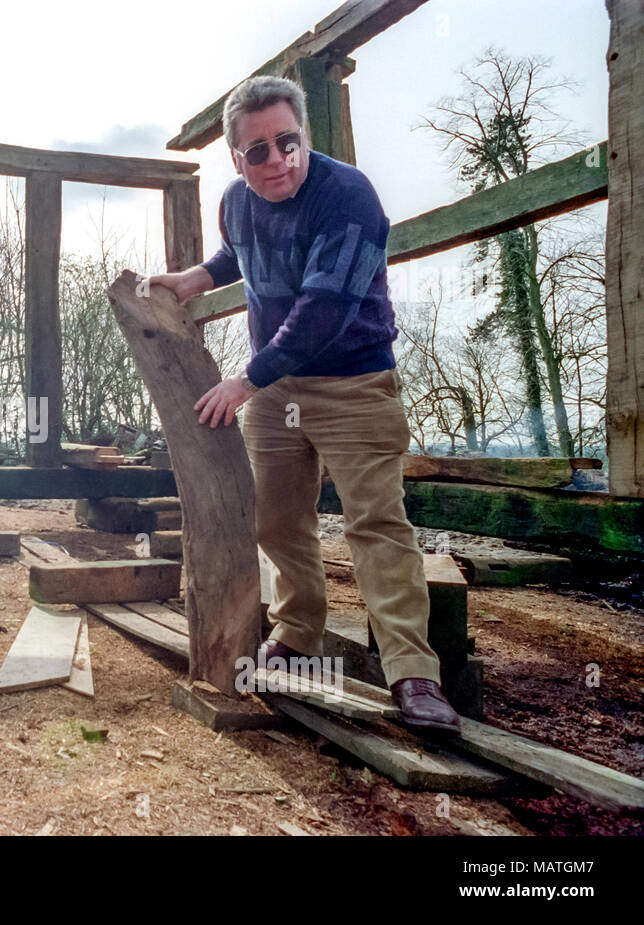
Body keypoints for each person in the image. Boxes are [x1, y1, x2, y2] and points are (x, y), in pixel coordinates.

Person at [147, 75, 460, 733]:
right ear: (237, 158)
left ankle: (412, 671)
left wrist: (244, 381)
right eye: (257, 151)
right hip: (277, 389)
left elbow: (324, 311)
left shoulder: (347, 197)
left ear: (304, 136)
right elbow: (240, 252)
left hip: (353, 384)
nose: (277, 160)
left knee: (376, 522)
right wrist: (195, 278)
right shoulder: (237, 201)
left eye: (287, 142)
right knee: (278, 519)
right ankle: (297, 632)